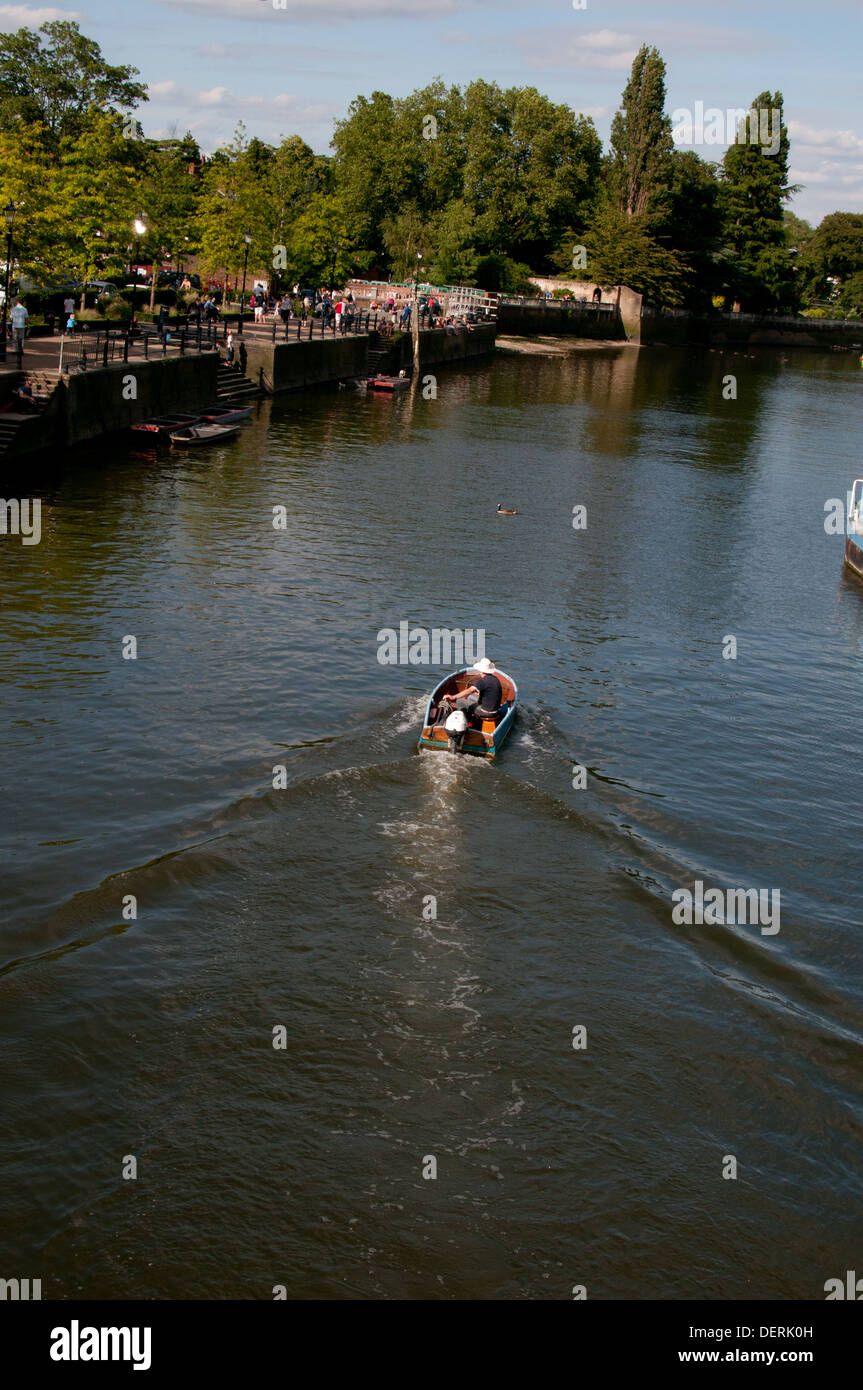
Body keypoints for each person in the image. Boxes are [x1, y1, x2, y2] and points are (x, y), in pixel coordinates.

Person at [440, 658, 503, 724]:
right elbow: (489, 693)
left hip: (486, 712)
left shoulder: (482, 681)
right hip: (495, 711)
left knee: (460, 701)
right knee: (470, 697)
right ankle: (471, 718)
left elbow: (469, 690)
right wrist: (479, 694)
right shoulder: (495, 679)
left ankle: (465, 724)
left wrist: (453, 697)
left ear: (480, 670)